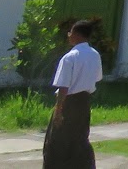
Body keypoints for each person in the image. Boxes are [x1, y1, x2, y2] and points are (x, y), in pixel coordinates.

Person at [43, 19, 102, 169]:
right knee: (79, 139)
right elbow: (97, 77)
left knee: (57, 142)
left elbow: (63, 87)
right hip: (84, 102)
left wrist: (58, 111)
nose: (68, 35)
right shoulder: (95, 55)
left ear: (76, 34)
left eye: (70, 32)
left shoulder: (70, 57)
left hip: (68, 102)